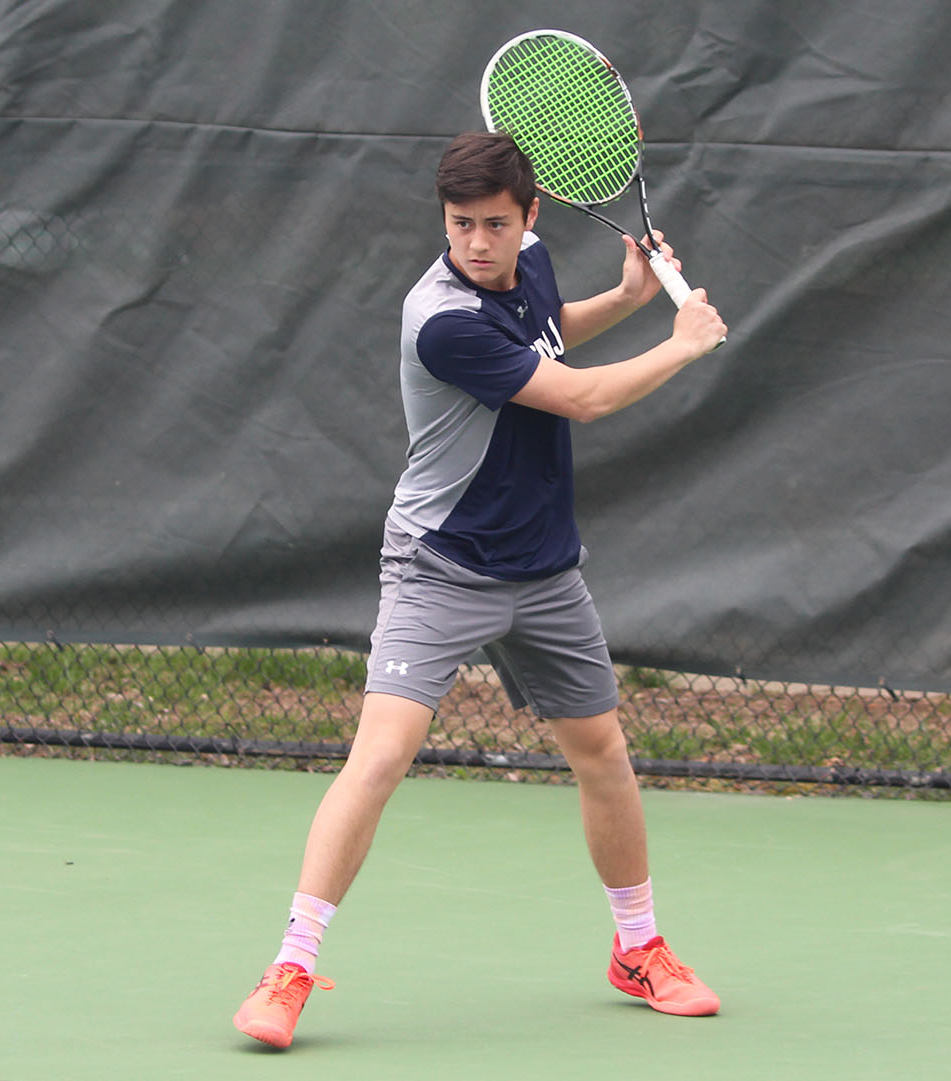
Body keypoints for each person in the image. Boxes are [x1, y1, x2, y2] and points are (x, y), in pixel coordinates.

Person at [233, 131, 729, 1050]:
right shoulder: (442, 318)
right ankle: (291, 967)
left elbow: (547, 332)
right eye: (461, 225)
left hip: (543, 568)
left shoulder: (529, 264)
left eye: (495, 225)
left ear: (530, 218)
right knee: (378, 759)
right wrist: (681, 343)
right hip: (441, 565)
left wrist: (623, 298)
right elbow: (578, 397)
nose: (476, 243)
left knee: (603, 753)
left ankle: (638, 948)